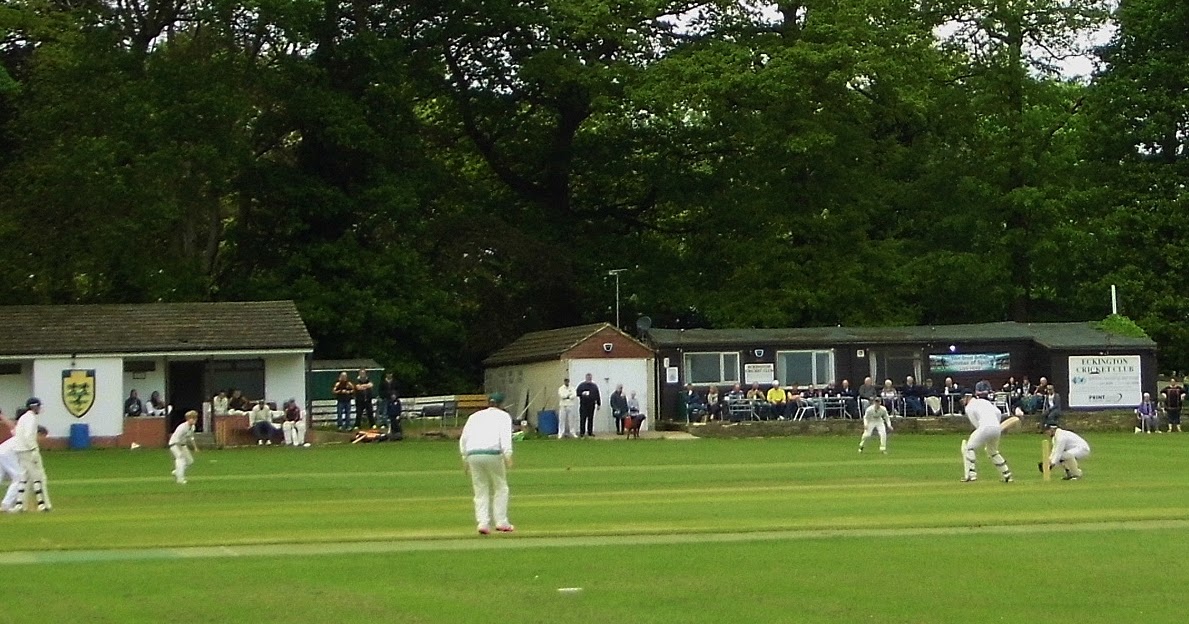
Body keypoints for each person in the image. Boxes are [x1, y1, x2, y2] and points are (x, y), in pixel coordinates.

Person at [459, 392, 514, 535]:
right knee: (501, 487)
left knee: (480, 489)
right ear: (502, 405)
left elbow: (464, 437)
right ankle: (501, 522)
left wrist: (464, 457)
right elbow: (505, 436)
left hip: (473, 454)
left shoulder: (475, 416)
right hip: (492, 453)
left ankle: (483, 523)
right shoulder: (503, 416)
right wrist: (508, 454)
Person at [960, 393, 1013, 483]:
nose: (962, 400)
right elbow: (998, 412)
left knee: (969, 448)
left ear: (968, 397)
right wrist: (996, 424)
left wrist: (982, 433)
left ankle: (971, 475)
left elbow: (975, 423)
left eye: (963, 398)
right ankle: (1006, 474)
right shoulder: (984, 401)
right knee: (992, 451)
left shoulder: (969, 407)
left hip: (984, 427)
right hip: (996, 428)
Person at [11, 398, 52, 511]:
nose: (39, 408)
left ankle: (20, 504)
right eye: (38, 406)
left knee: (24, 477)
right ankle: (42, 504)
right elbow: (28, 435)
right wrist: (33, 448)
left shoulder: (23, 418)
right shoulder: (30, 418)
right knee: (38, 477)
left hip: (20, 450)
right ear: (34, 407)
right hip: (28, 450)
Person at [169, 410, 199, 484]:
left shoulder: (192, 427)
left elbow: (191, 437)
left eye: (195, 418)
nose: (194, 420)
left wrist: (195, 447)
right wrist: (179, 449)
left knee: (190, 461)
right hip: (174, 444)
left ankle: (177, 471)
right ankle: (180, 479)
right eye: (192, 418)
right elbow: (176, 438)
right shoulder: (182, 427)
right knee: (180, 459)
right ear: (188, 419)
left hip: (182, 445)